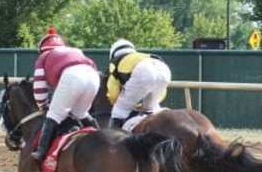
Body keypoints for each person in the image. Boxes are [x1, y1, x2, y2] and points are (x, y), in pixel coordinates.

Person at [30, 27, 101, 163]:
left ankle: (41, 152)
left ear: (42, 48)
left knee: (54, 115)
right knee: (81, 112)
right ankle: (100, 136)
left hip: (72, 76)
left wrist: (43, 105)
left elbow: (39, 86)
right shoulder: (75, 51)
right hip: (93, 76)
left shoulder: (44, 56)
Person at [105, 38, 172, 130]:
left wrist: (118, 103)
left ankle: (113, 138)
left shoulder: (115, 62)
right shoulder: (142, 56)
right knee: (151, 109)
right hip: (164, 69)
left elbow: (113, 93)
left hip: (143, 72)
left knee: (119, 110)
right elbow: (162, 93)